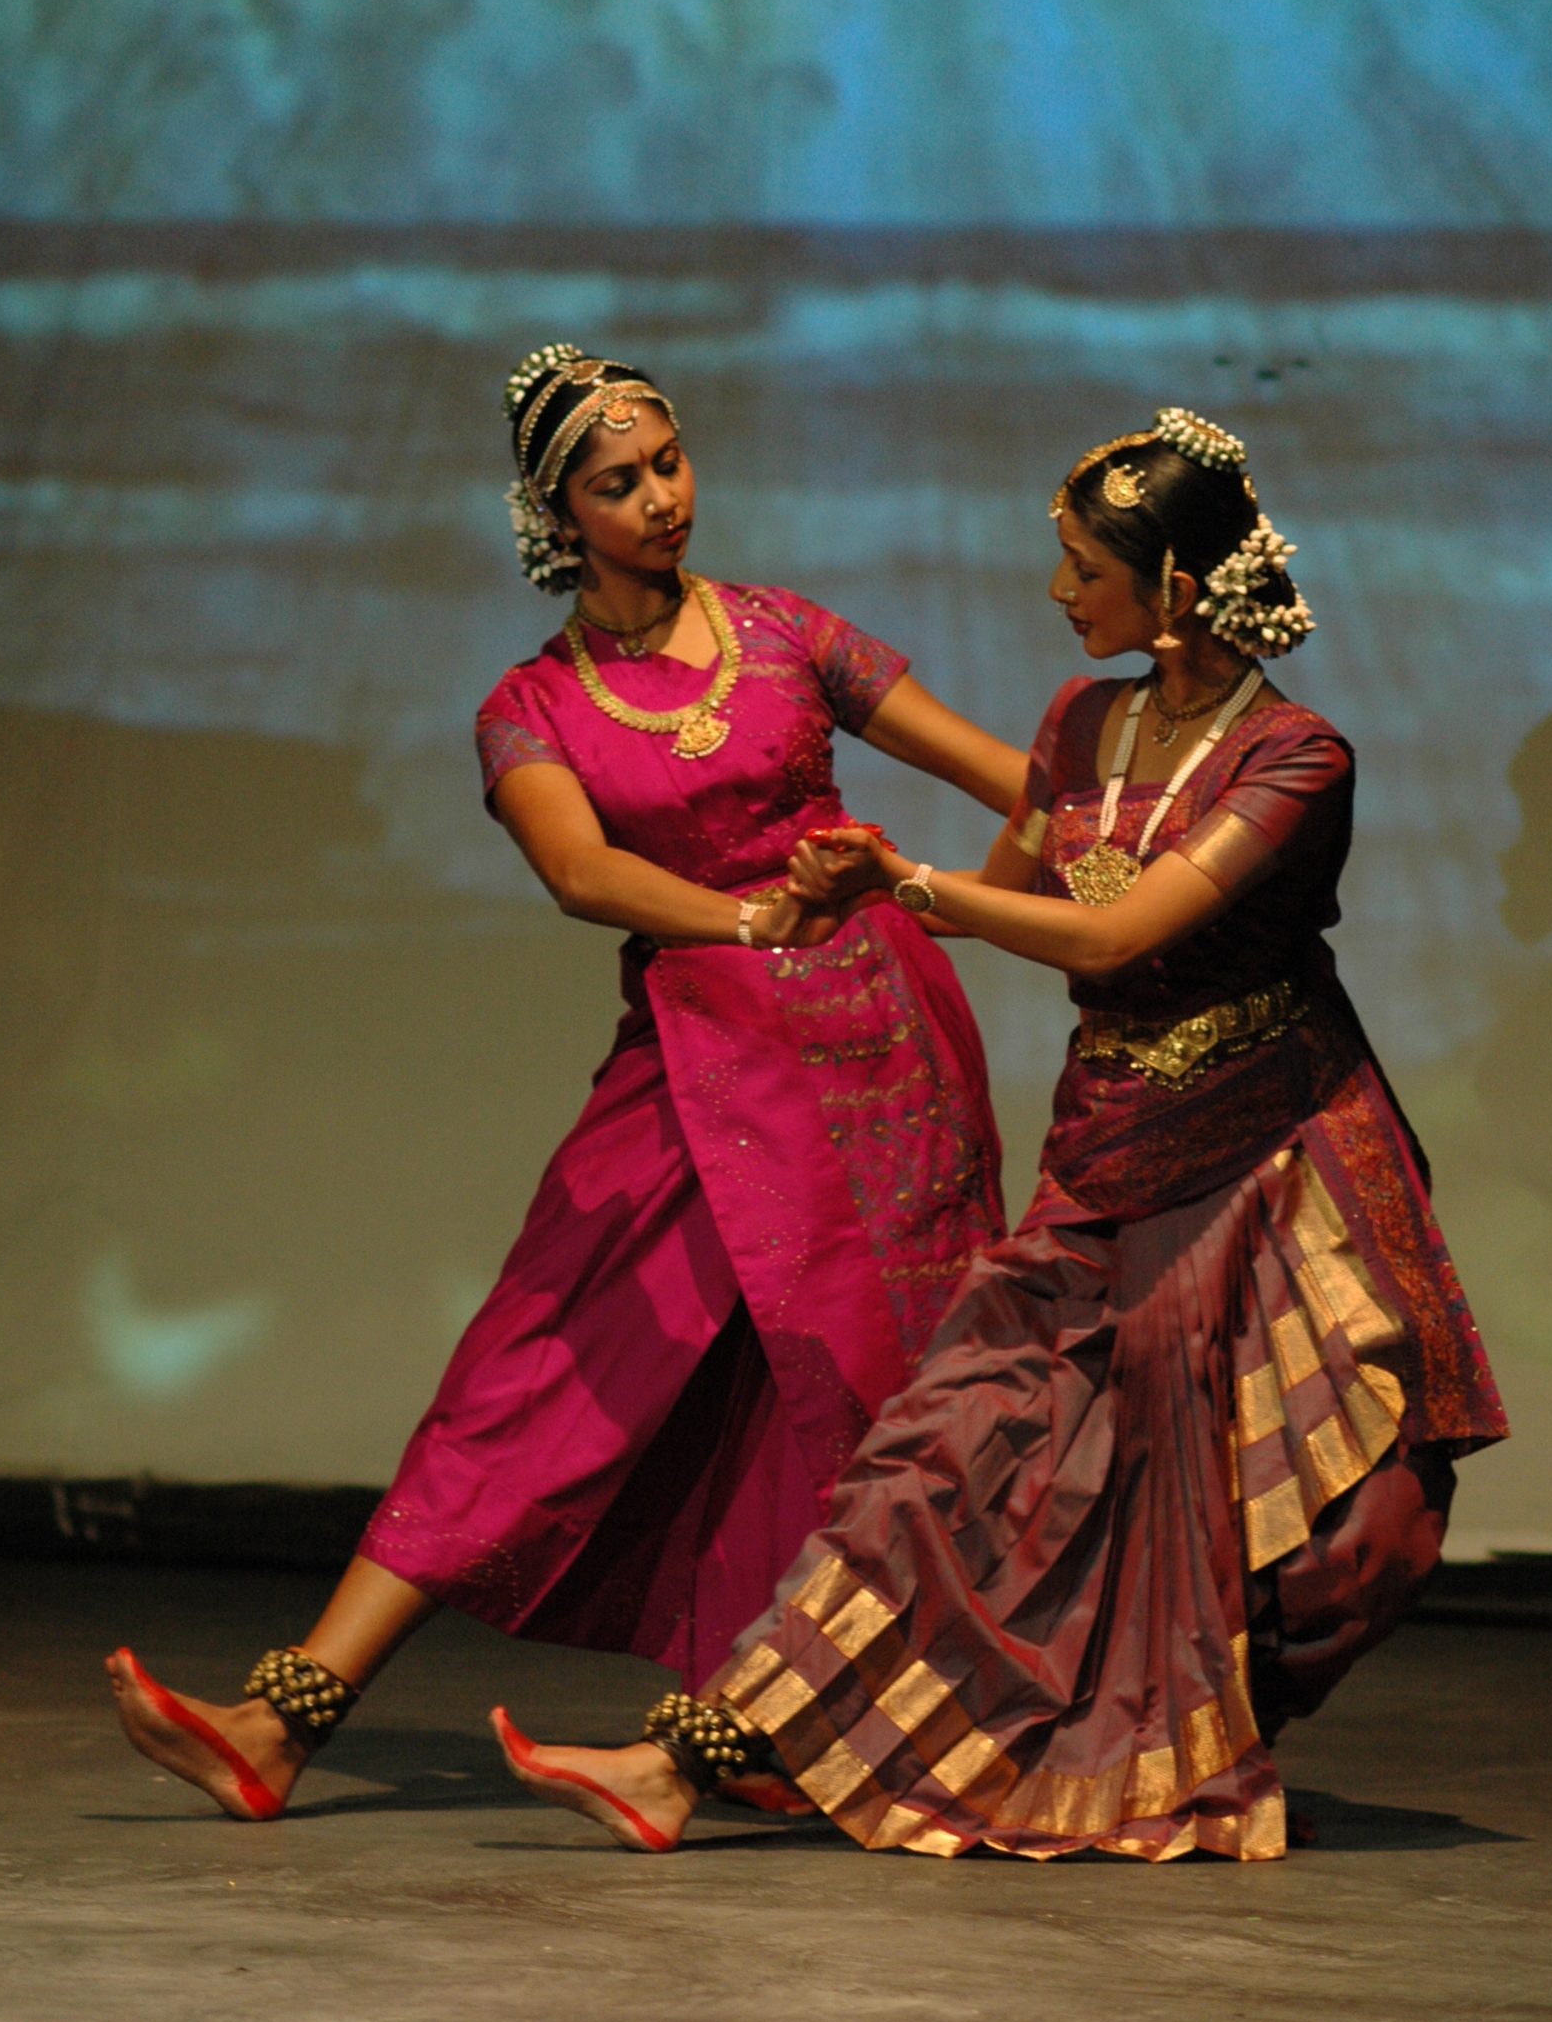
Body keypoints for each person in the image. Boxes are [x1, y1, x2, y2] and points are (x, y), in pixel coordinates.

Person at [495, 405, 1509, 1863]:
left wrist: (907, 886)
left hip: (1272, 1164)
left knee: (1331, 1529)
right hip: (1110, 1155)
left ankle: (1172, 1733)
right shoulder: (1081, 723)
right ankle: (682, 1760)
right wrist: (849, 887)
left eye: (1084, 566)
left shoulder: (1295, 757)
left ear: (1172, 587)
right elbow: (1019, 905)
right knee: (938, 1460)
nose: (1057, 590)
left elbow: (1121, 928)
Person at [107, 343, 1025, 1819]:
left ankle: (749, 1745)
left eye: (669, 461)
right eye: (617, 482)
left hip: (872, 1063)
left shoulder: (791, 634)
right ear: (557, 515)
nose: (661, 498)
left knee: (850, 1391)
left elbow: (1015, 782)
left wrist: (960, 898)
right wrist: (749, 920)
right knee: (533, 1365)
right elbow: (580, 872)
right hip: (689, 1063)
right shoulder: (528, 706)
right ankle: (287, 1716)